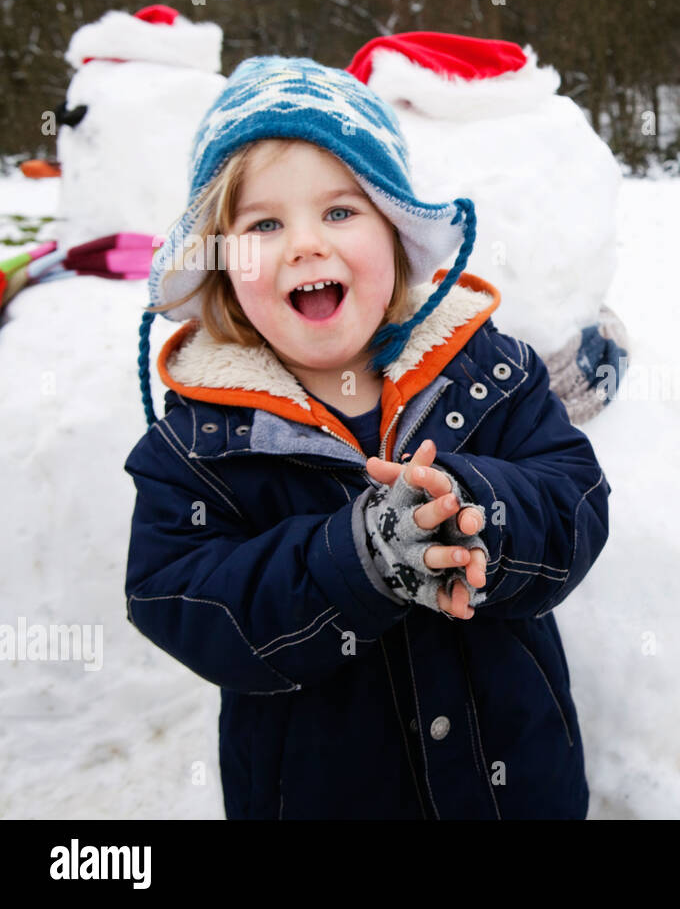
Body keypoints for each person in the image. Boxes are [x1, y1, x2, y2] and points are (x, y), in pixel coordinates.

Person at [123, 55, 610, 819]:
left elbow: (575, 497)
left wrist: (480, 510)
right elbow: (176, 595)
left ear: (395, 232)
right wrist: (355, 561)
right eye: (265, 224)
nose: (306, 245)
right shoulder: (200, 445)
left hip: (513, 788)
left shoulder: (485, 372)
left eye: (341, 212)